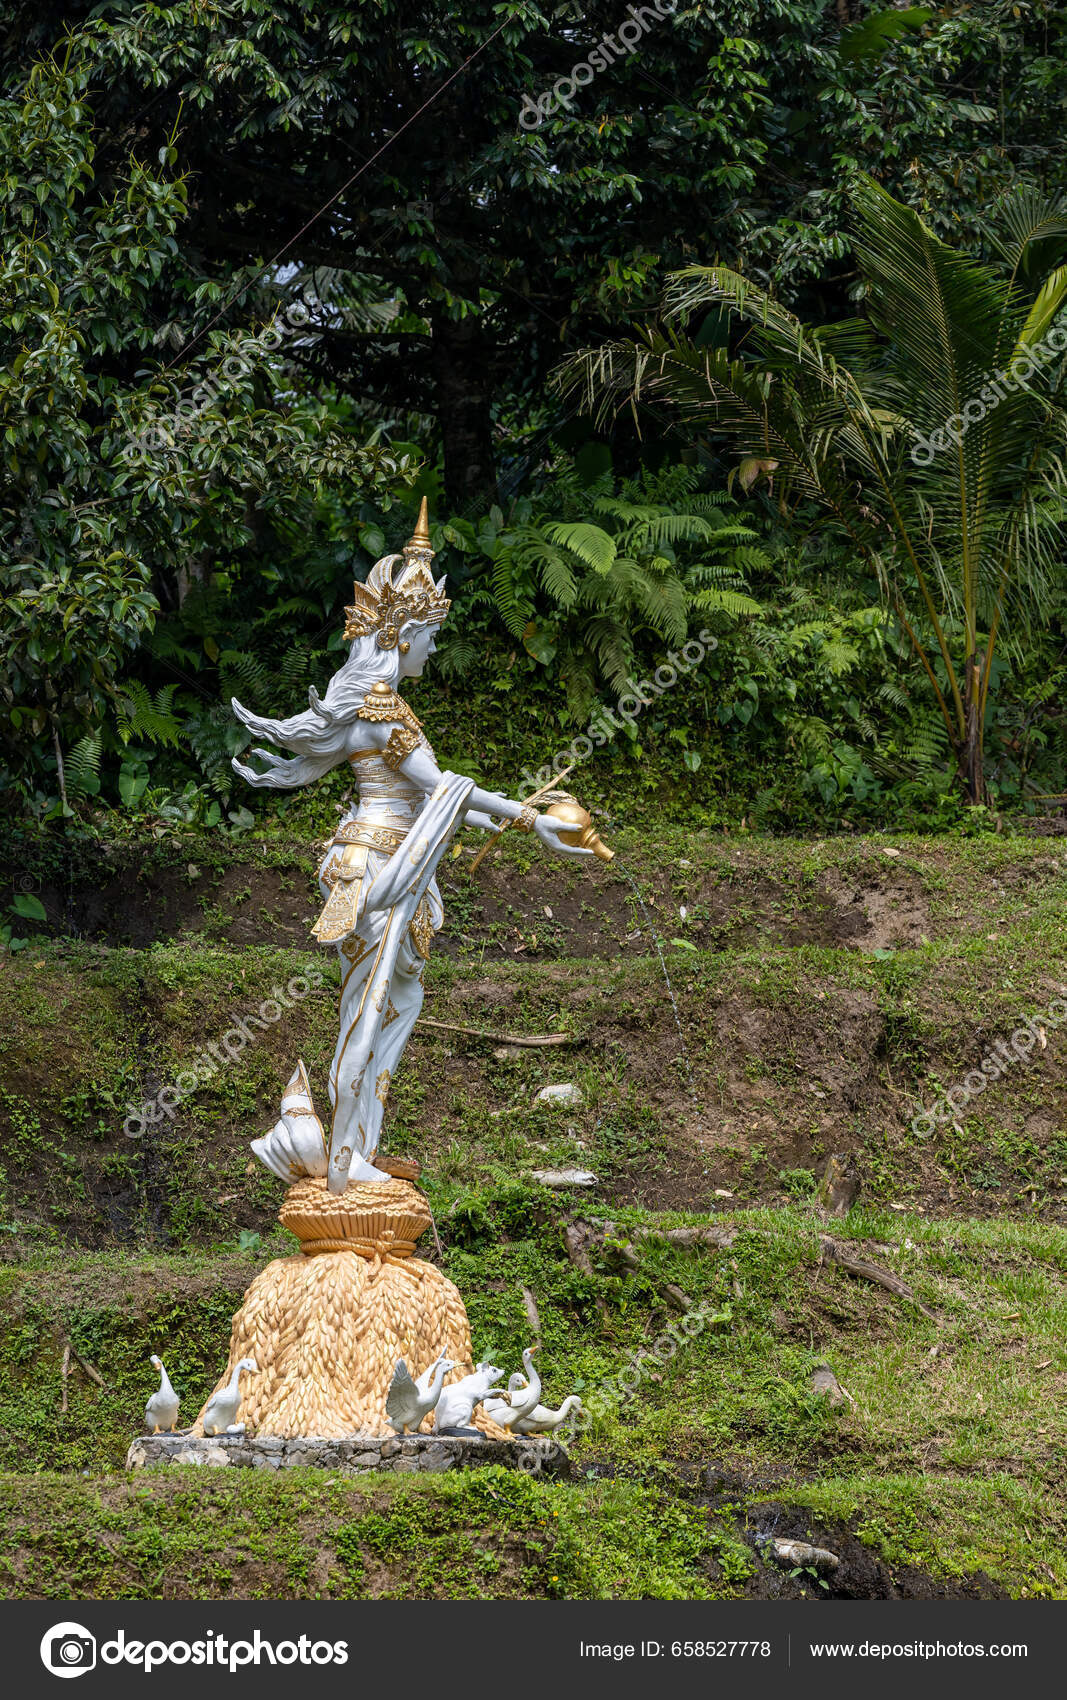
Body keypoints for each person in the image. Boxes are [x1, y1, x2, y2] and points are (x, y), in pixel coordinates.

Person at [231, 500, 590, 1191]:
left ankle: (357, 1144)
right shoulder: (378, 709)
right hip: (377, 868)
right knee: (365, 1009)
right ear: (403, 635)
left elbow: (431, 796)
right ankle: (340, 1160)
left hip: (391, 857)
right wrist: (530, 818)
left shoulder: (387, 705)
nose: (433, 650)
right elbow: (443, 783)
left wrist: (481, 819)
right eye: (429, 636)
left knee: (395, 1001)